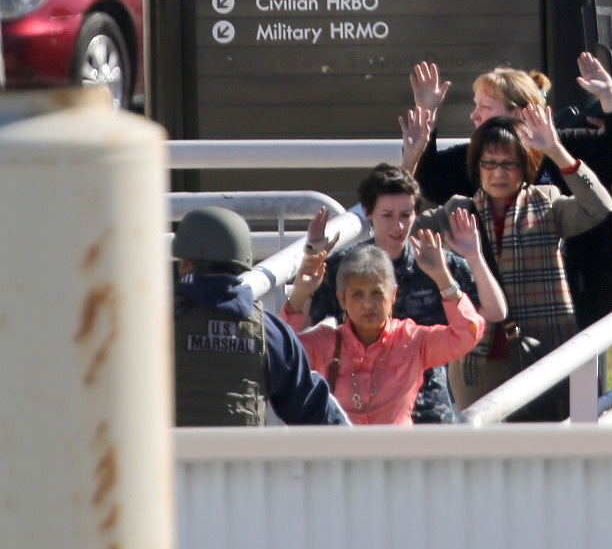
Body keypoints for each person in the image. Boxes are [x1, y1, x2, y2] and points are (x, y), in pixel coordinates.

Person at [400, 53, 612, 330]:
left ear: (519, 113)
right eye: (490, 165)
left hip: (582, 300)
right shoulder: (476, 158)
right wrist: (426, 113)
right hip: (501, 316)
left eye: (485, 107)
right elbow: (430, 180)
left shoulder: (564, 146)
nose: (474, 115)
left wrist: (608, 94)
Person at [419, 104, 612, 419]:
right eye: (489, 163)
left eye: (509, 164)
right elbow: (396, 228)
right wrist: (411, 158)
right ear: (477, 167)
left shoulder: (547, 202)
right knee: (481, 440)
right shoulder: (458, 211)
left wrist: (555, 150)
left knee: (549, 440)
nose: (498, 173)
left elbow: (599, 207)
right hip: (476, 359)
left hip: (544, 350)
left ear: (525, 166)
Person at [281, 164, 506, 423]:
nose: (398, 225)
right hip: (360, 410)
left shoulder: (435, 262)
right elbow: (289, 336)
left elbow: (495, 312)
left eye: (405, 214)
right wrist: (307, 273)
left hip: (429, 411)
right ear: (368, 213)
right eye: (387, 215)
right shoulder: (346, 267)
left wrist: (473, 257)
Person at [172, 206, 349, 427]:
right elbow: (313, 409)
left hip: (169, 451)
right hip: (243, 451)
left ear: (185, 263)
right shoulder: (269, 330)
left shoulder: (152, 325)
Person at [290, 241, 486, 425]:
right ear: (342, 300)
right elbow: (279, 353)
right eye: (357, 294)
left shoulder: (411, 339)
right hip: (342, 449)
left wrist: (442, 277)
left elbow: (467, 334)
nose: (368, 304)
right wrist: (299, 293)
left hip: (399, 450)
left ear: (393, 296)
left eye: (377, 293)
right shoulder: (326, 342)